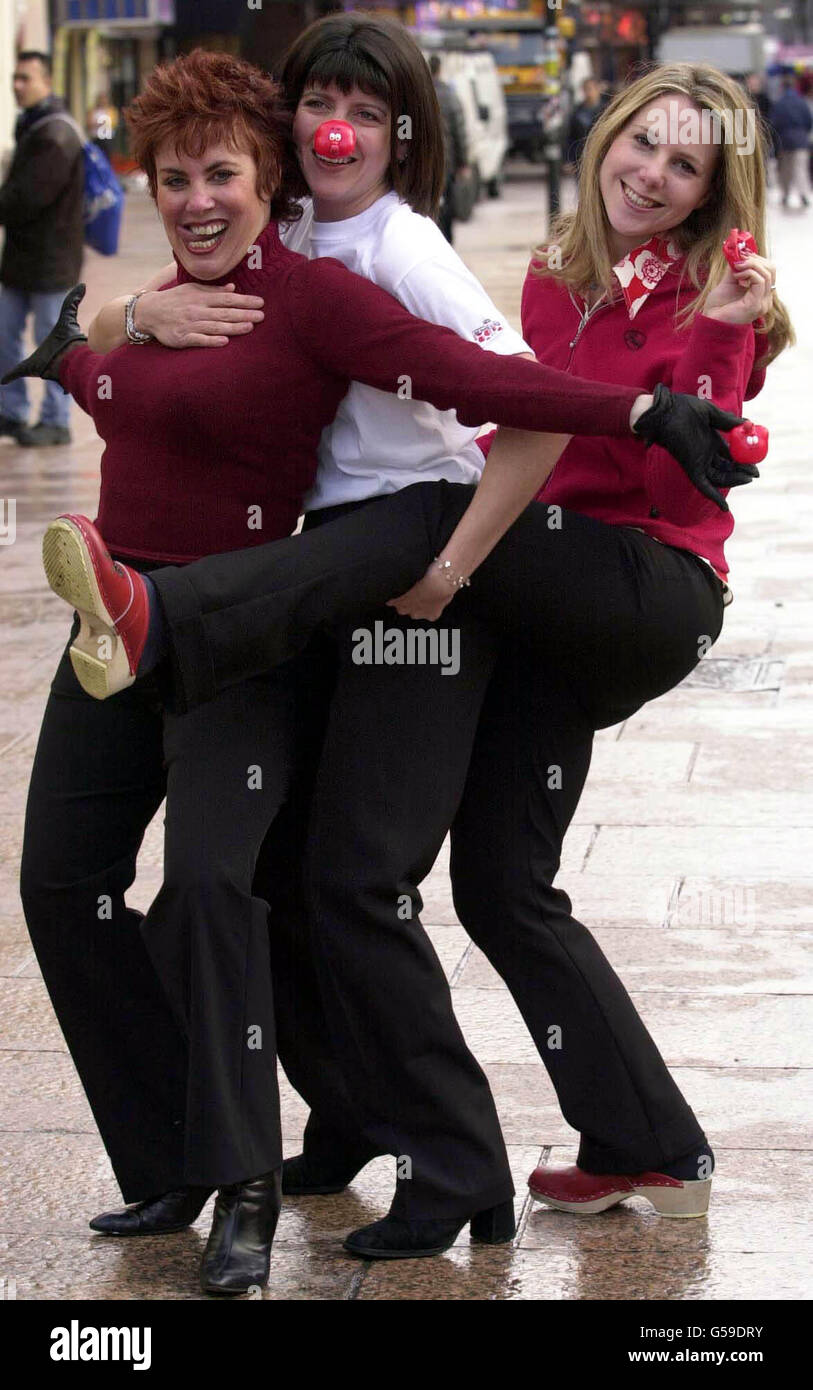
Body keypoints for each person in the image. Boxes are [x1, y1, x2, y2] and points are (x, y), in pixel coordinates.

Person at [24, 44, 783, 1261]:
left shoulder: (405, 253)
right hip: (429, 587)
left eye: (362, 111)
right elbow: (125, 333)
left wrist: (450, 566)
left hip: (563, 577)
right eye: (314, 105)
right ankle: (564, 1130)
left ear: (401, 133)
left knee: (348, 873)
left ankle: (447, 1158)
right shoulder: (542, 267)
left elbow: (509, 397)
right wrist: (116, 316)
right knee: (475, 887)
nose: (335, 129)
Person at [0, 51, 83, 446]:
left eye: (25, 78)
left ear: (46, 81)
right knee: (5, 335)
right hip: (21, 260)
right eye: (14, 78)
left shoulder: (56, 134)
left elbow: (27, 197)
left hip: (51, 262)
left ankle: (56, 420)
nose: (18, 85)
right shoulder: (31, 124)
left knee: (55, 343)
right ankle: (11, 412)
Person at [428, 52, 468, 243]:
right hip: (447, 160)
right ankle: (447, 243)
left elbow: (405, 127)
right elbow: (459, 129)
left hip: (426, 160)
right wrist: (463, 162)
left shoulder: (420, 93)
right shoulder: (449, 95)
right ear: (440, 70)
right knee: (447, 206)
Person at [770, 75, 812, 209]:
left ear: (782, 87)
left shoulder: (780, 103)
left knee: (785, 170)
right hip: (801, 140)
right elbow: (809, 120)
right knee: (801, 168)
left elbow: (774, 123)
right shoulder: (801, 102)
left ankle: (785, 193)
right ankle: (803, 194)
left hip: (785, 141)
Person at [564, 76, 607, 168]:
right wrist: (569, 160)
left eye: (590, 89)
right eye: (585, 89)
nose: (588, 93)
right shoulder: (577, 111)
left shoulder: (606, 110)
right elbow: (571, 137)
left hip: (601, 157)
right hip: (582, 158)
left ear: (597, 89)